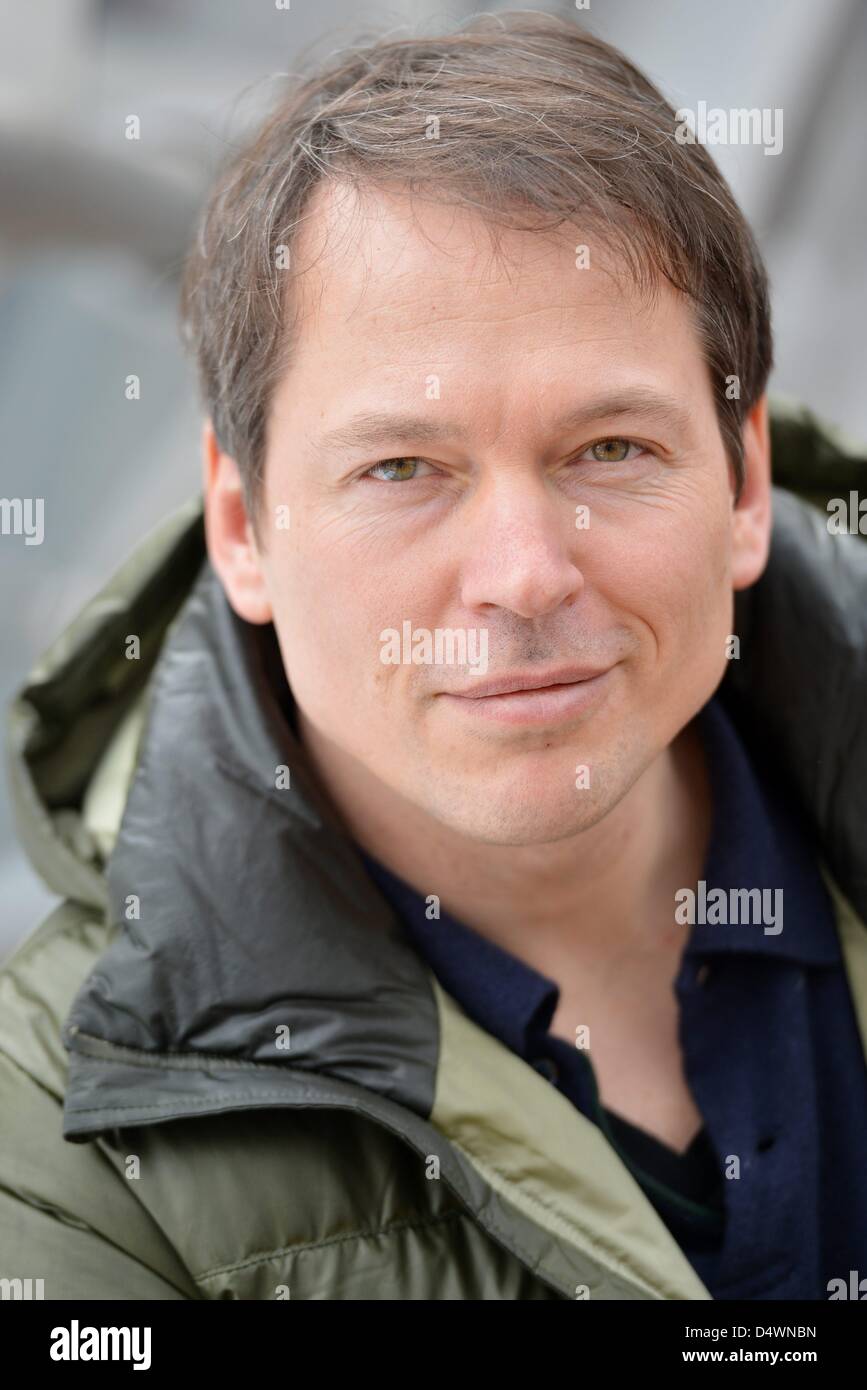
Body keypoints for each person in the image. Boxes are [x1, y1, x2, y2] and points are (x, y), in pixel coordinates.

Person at [3, 11, 867, 1301]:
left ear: (744, 484)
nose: (524, 574)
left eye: (610, 451)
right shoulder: (60, 1133)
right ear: (242, 526)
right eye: (402, 469)